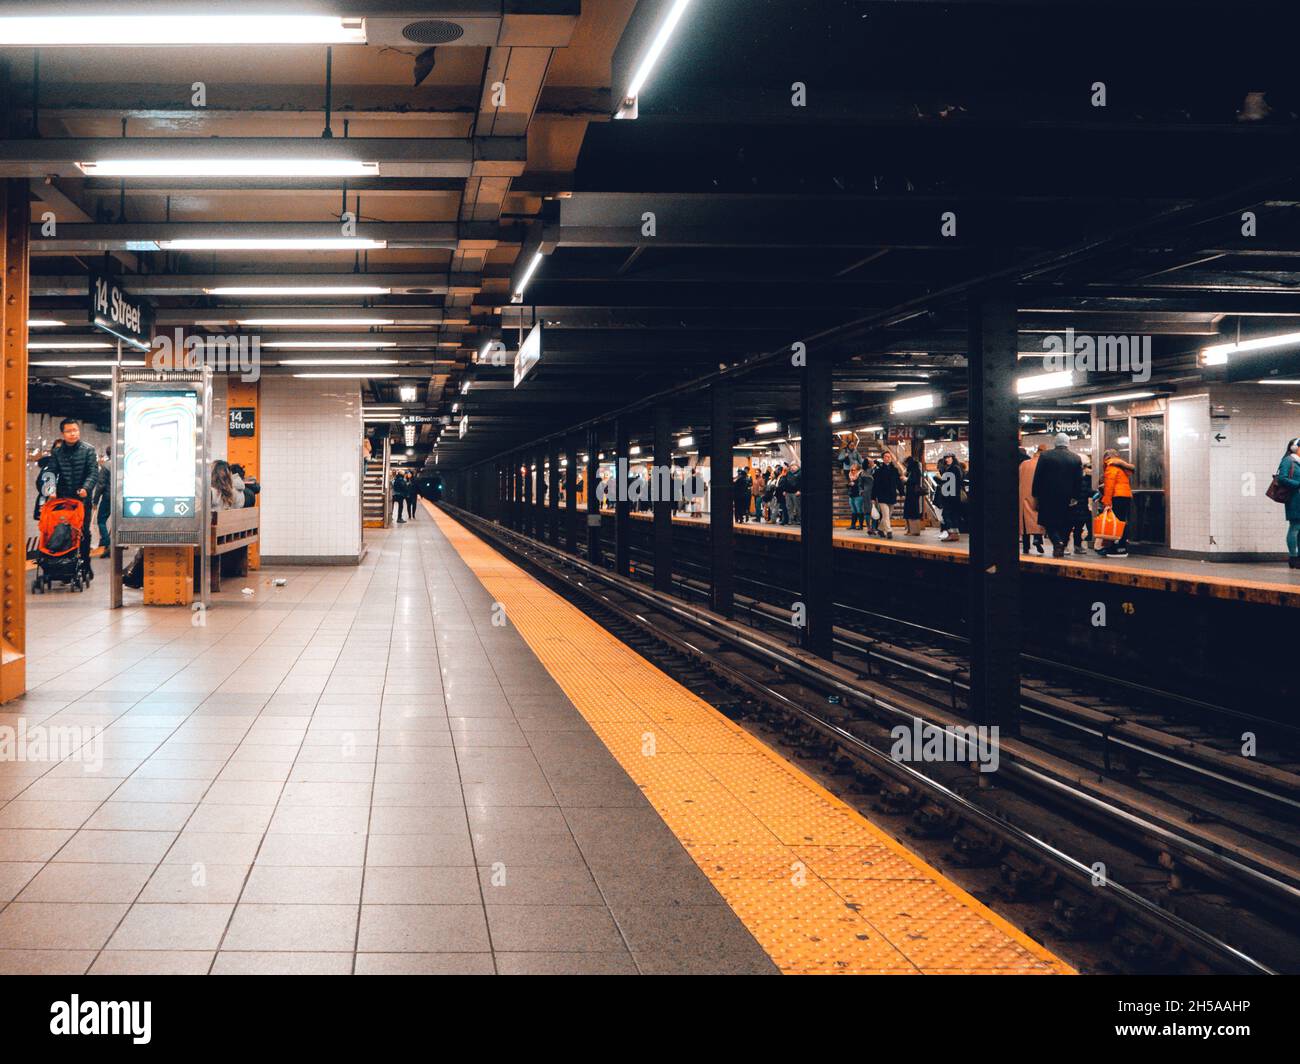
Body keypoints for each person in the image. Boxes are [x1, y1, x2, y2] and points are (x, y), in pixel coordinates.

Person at [51, 419, 99, 575]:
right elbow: (51, 472)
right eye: (69, 431)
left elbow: (93, 472)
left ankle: (86, 563)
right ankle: (66, 564)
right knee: (64, 529)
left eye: (75, 430)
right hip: (64, 498)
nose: (73, 434)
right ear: (63, 434)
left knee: (83, 530)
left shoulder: (88, 450)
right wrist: (50, 489)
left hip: (82, 498)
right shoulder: (57, 452)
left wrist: (86, 488)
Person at [1032, 434, 1083, 557]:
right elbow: (1078, 480)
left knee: (1049, 521)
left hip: (1047, 495)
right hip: (1067, 496)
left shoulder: (1045, 456)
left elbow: (1038, 476)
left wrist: (1035, 494)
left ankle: (1057, 542)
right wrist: (1076, 496)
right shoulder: (1076, 458)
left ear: (1055, 443)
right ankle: (1062, 543)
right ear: (1068, 443)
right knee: (1065, 521)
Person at [1097, 449, 1135, 558]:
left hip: (1117, 497)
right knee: (1122, 522)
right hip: (1125, 497)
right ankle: (1122, 546)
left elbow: (1109, 487)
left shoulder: (1111, 466)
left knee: (1115, 523)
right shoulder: (1122, 467)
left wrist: (1107, 502)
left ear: (1106, 458)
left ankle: (1115, 547)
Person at [1276, 438, 1300, 568]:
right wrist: (1298, 484)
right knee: (1295, 527)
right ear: (1295, 448)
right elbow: (1282, 478)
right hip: (1294, 499)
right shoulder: (1288, 461)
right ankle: (1293, 557)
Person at [1019, 443, 1045, 555]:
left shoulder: (1024, 464)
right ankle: (1037, 539)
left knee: (1025, 522)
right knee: (1037, 518)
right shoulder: (1043, 465)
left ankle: (1025, 547)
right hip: (1037, 495)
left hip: (1023, 495)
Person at [872, 451, 902, 539]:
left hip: (892, 495)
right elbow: (875, 485)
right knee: (885, 514)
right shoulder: (878, 471)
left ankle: (880, 529)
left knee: (888, 515)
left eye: (889, 456)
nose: (887, 458)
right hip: (882, 495)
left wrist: (901, 492)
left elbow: (898, 482)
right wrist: (873, 497)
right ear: (883, 458)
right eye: (885, 456)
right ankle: (889, 531)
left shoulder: (895, 470)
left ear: (891, 458)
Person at [934, 454, 963, 542]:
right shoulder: (957, 468)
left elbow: (947, 483)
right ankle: (954, 534)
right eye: (946, 458)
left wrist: (937, 478)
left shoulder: (952, 469)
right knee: (952, 515)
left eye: (949, 458)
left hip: (950, 496)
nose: (947, 459)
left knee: (947, 515)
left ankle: (952, 534)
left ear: (953, 458)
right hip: (953, 495)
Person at [92, 449, 112, 551]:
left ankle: (106, 541)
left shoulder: (106, 466)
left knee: (101, 520)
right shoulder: (123, 465)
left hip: (108, 498)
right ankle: (113, 544)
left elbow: (100, 485)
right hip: (121, 498)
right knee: (118, 522)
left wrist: (95, 501)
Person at [902, 454, 924, 536]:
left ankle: (914, 531)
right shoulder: (912, 470)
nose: (905, 465)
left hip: (913, 493)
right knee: (910, 511)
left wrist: (905, 479)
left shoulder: (915, 470)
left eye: (906, 463)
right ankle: (910, 530)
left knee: (912, 511)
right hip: (911, 493)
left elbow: (913, 480)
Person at [846, 465, 868, 530]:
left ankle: (860, 525)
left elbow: (862, 485)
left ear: (857, 470)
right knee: (853, 511)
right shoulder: (850, 476)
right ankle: (853, 525)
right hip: (851, 495)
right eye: (851, 470)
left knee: (859, 510)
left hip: (858, 496)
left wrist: (854, 484)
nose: (852, 471)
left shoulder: (860, 476)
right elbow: (848, 485)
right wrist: (849, 485)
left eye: (854, 470)